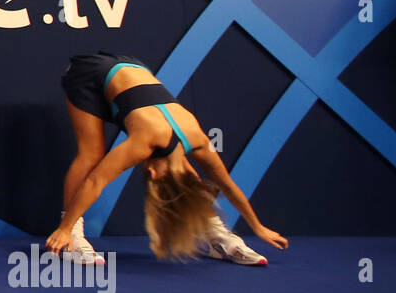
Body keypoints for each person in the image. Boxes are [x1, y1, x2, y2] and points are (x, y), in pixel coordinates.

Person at [47, 51, 289, 265]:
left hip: (133, 67)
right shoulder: (147, 141)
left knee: (177, 162)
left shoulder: (198, 140)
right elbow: (94, 182)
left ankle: (216, 234)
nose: (147, 173)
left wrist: (258, 227)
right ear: (153, 173)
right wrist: (64, 228)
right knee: (92, 156)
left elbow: (227, 185)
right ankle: (73, 236)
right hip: (88, 75)